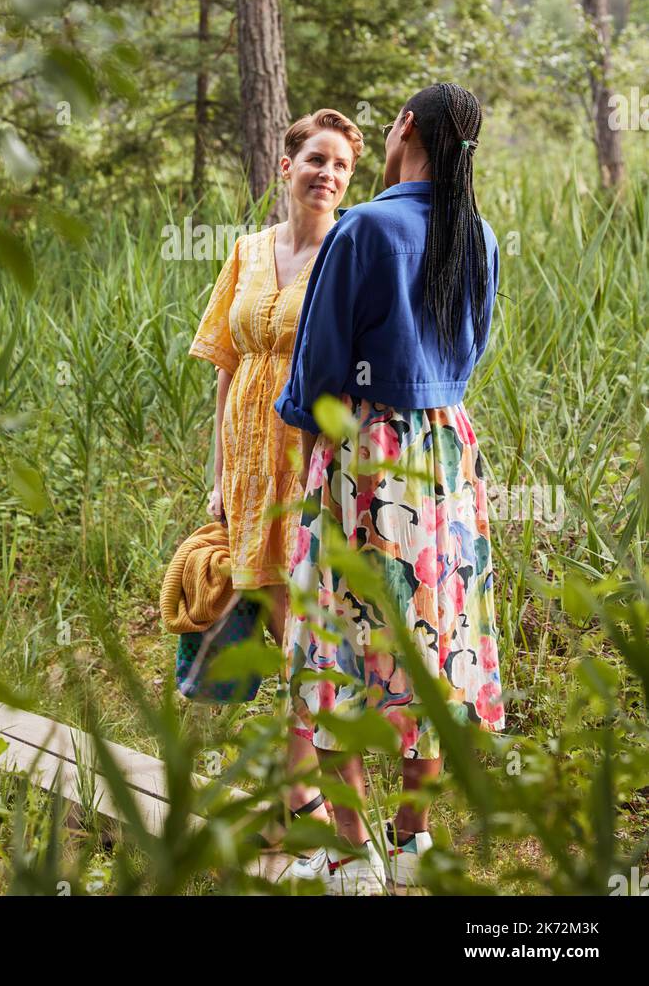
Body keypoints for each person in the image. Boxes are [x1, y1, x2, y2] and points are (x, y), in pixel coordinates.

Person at [274, 82, 506, 896]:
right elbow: (472, 351)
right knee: (431, 638)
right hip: (444, 454)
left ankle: (348, 853)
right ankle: (413, 836)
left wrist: (312, 467)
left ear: (404, 127)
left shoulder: (365, 227)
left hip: (363, 449)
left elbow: (317, 370)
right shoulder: (476, 233)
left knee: (334, 642)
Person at [188, 108, 363, 828]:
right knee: (267, 611)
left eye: (341, 166)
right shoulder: (247, 251)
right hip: (246, 462)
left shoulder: (347, 253)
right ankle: (297, 788)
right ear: (286, 167)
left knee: (302, 624)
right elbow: (225, 366)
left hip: (306, 460)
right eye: (316, 159)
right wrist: (218, 471)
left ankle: (312, 798)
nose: (327, 174)